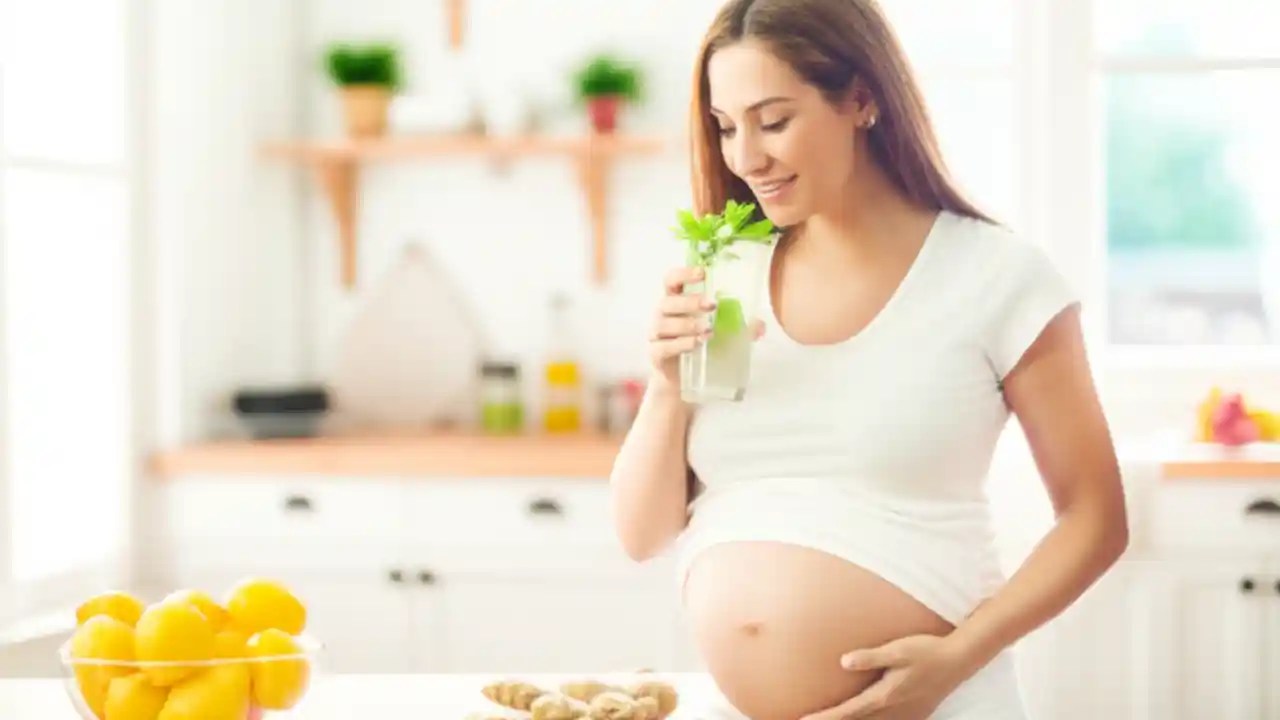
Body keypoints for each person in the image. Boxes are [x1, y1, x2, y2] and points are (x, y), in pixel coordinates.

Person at [608, 0, 1129, 718]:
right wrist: (668, 389)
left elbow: (1096, 518)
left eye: (774, 120)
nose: (745, 157)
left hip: (942, 704)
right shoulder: (728, 269)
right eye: (726, 128)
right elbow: (642, 537)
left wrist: (954, 661)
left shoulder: (995, 276)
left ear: (860, 99)